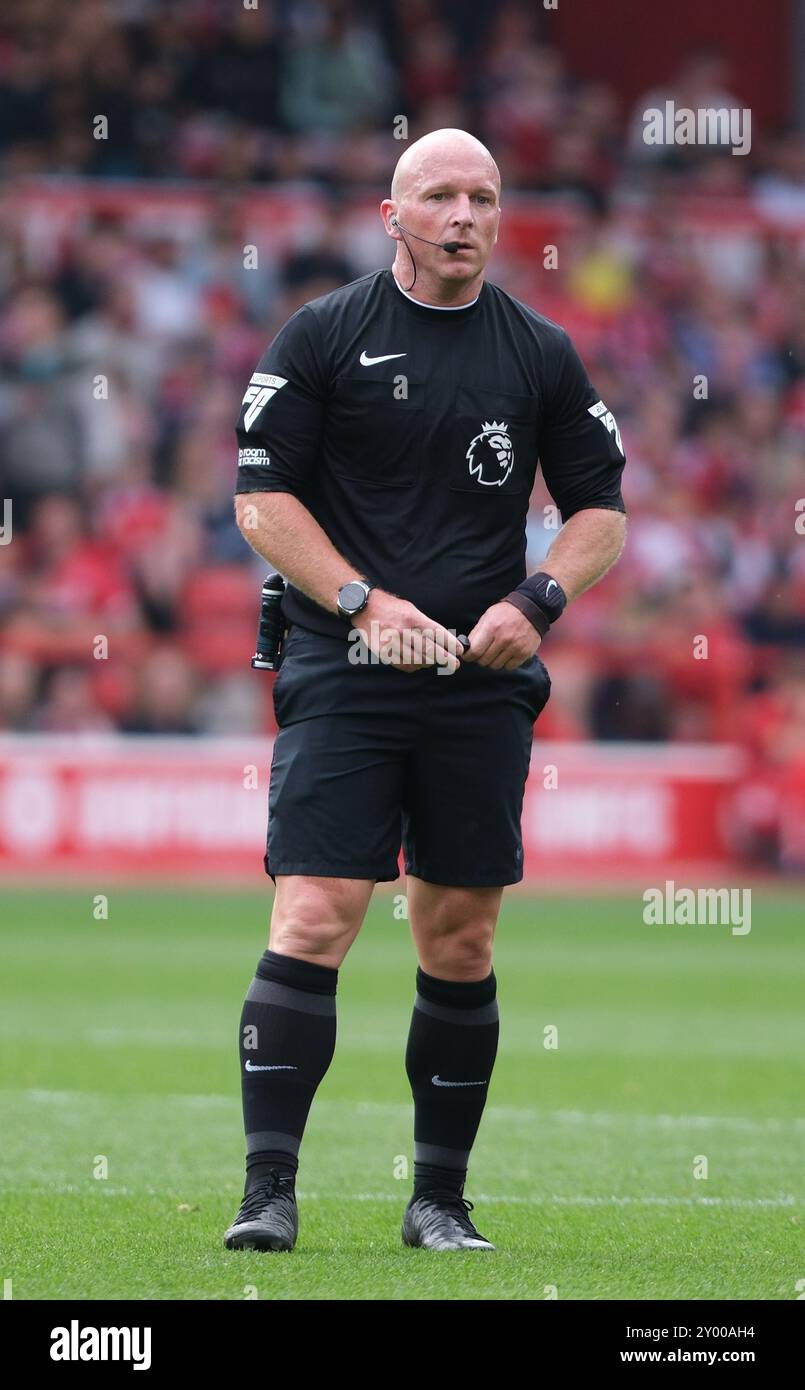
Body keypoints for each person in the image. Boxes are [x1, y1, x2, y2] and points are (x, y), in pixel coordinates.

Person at [224, 128, 627, 1253]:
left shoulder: (539, 353)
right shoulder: (320, 335)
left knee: (459, 939)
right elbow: (261, 503)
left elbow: (601, 511)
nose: (464, 215)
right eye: (440, 195)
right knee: (314, 914)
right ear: (391, 214)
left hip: (479, 683)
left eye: (484, 198)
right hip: (344, 668)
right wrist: (363, 602)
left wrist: (535, 601)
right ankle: (268, 1194)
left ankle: (438, 1202)